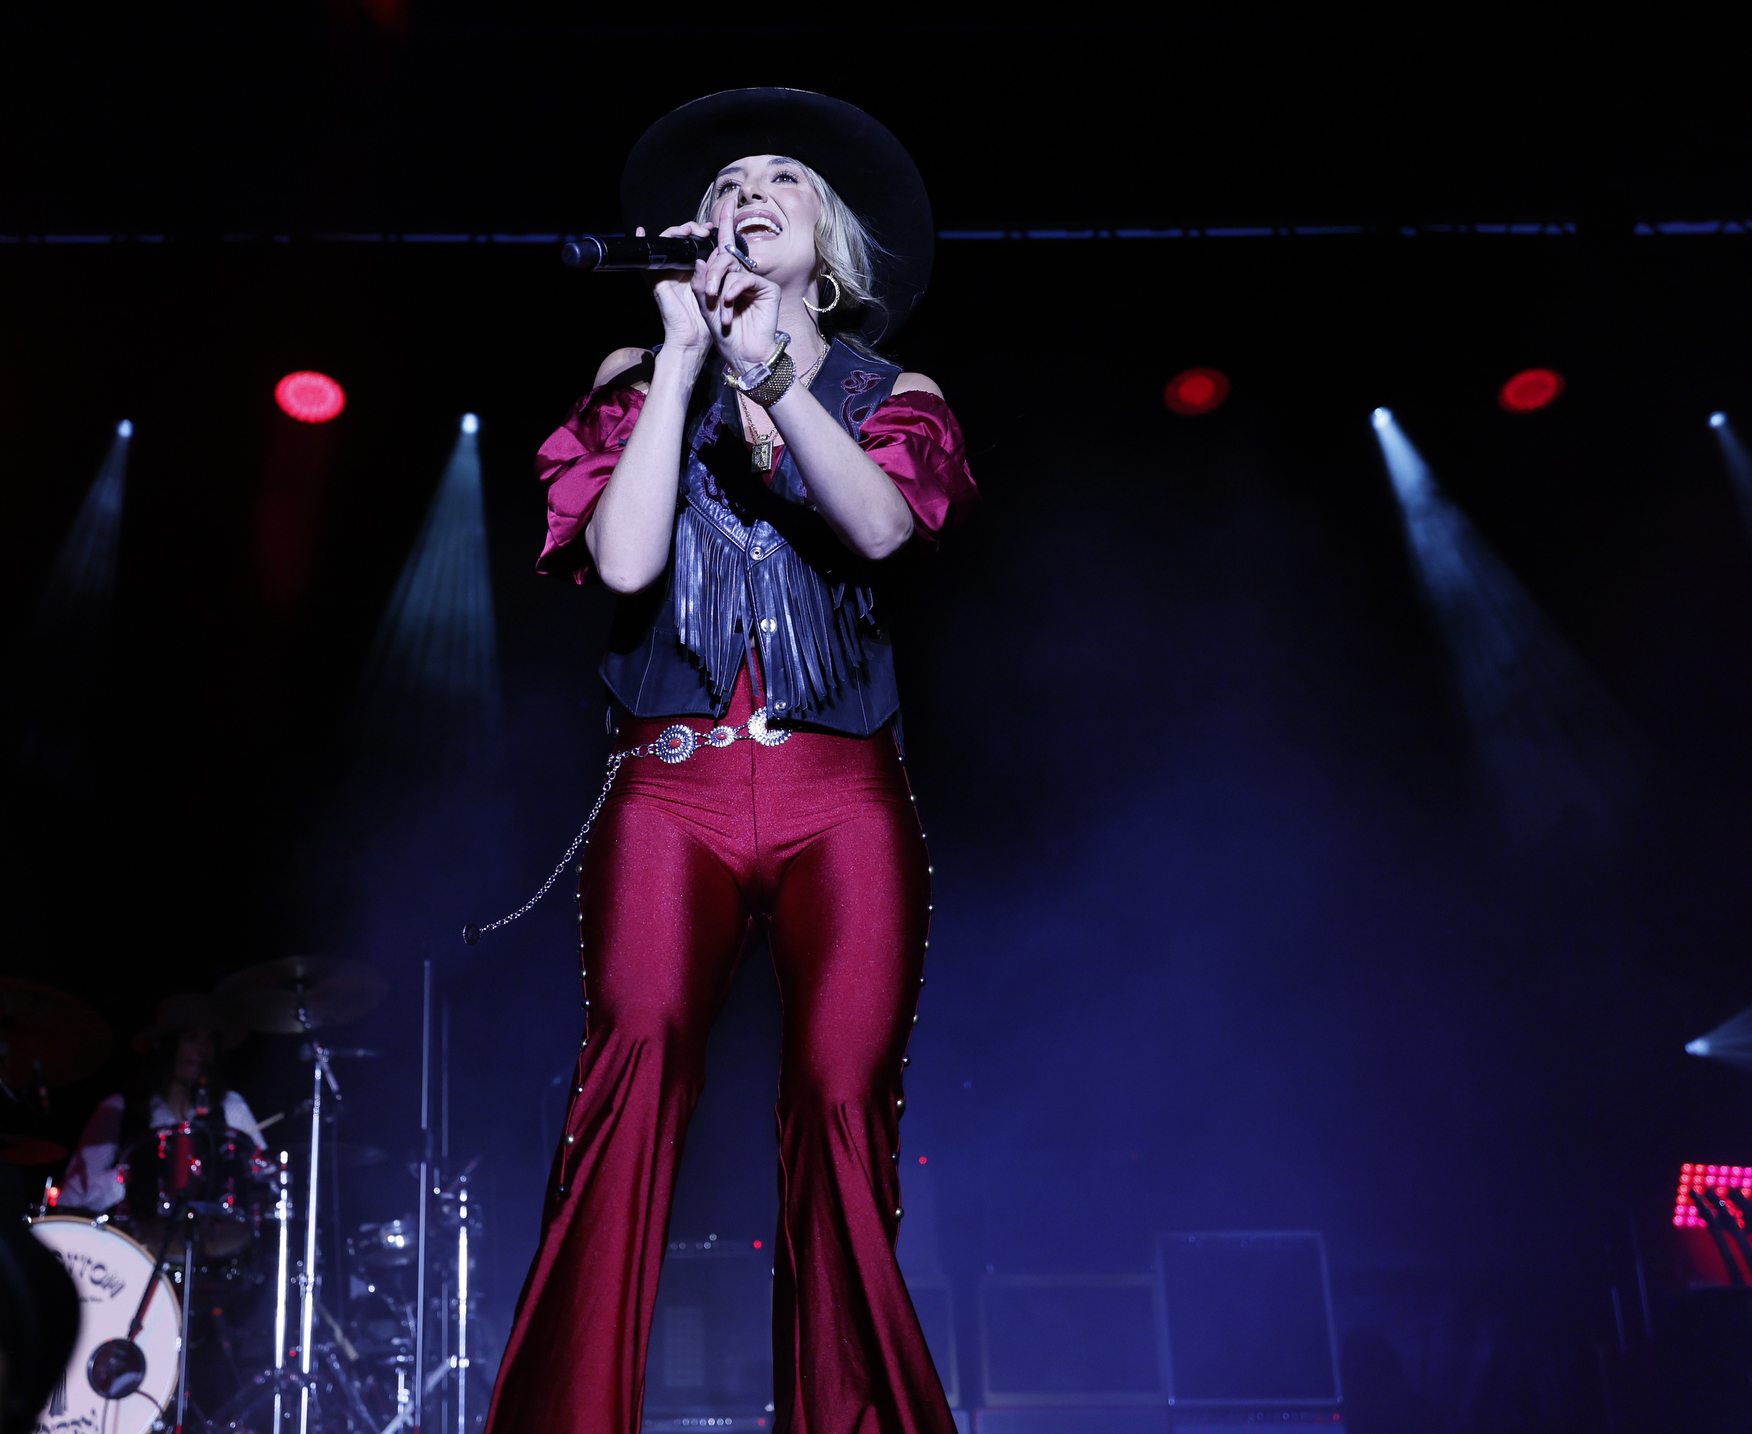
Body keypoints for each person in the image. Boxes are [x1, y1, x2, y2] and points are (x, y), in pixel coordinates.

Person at [483, 89, 978, 1434]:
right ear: (693, 233)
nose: (749, 189)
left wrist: (773, 374)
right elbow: (627, 561)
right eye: (726, 184)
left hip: (839, 790)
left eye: (785, 178)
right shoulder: (633, 384)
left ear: (831, 240)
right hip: (672, 786)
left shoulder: (896, 391)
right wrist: (682, 368)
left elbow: (879, 527)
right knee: (632, 1062)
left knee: (837, 1103)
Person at [58, 992, 266, 1216]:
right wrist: (136, 1174)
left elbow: (265, 1178)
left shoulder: (229, 1105)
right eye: (192, 1038)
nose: (203, 1050)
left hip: (213, 1241)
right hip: (132, 1244)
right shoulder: (119, 1108)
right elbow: (72, 1196)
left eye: (209, 1041)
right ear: (162, 1046)